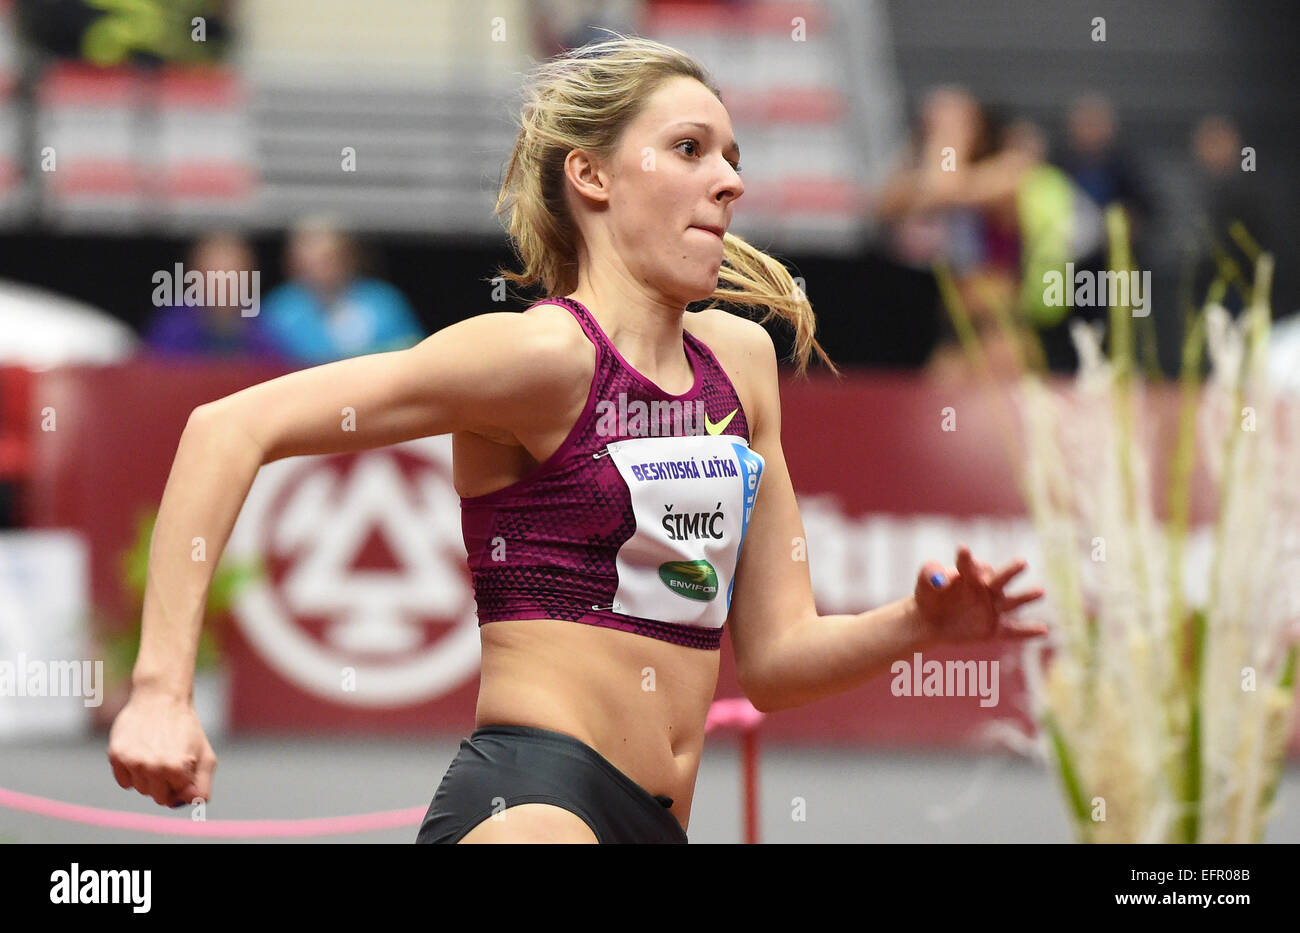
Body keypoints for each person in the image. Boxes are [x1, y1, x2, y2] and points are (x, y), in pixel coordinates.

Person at [107, 35, 1047, 844]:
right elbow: (227, 426)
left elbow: (776, 659)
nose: (731, 178)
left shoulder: (743, 361)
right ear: (590, 176)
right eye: (689, 148)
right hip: (533, 799)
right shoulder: (542, 357)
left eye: (731, 154)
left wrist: (915, 626)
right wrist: (158, 689)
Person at [257, 216, 424, 363]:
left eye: (328, 259)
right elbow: (264, 364)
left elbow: (411, 352)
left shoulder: (383, 301)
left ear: (349, 257)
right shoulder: (279, 308)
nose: (320, 269)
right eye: (311, 261)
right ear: (293, 262)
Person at [142, 232, 284, 361]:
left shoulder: (268, 327)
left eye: (232, 278)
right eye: (212, 277)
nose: (222, 287)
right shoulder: (170, 327)